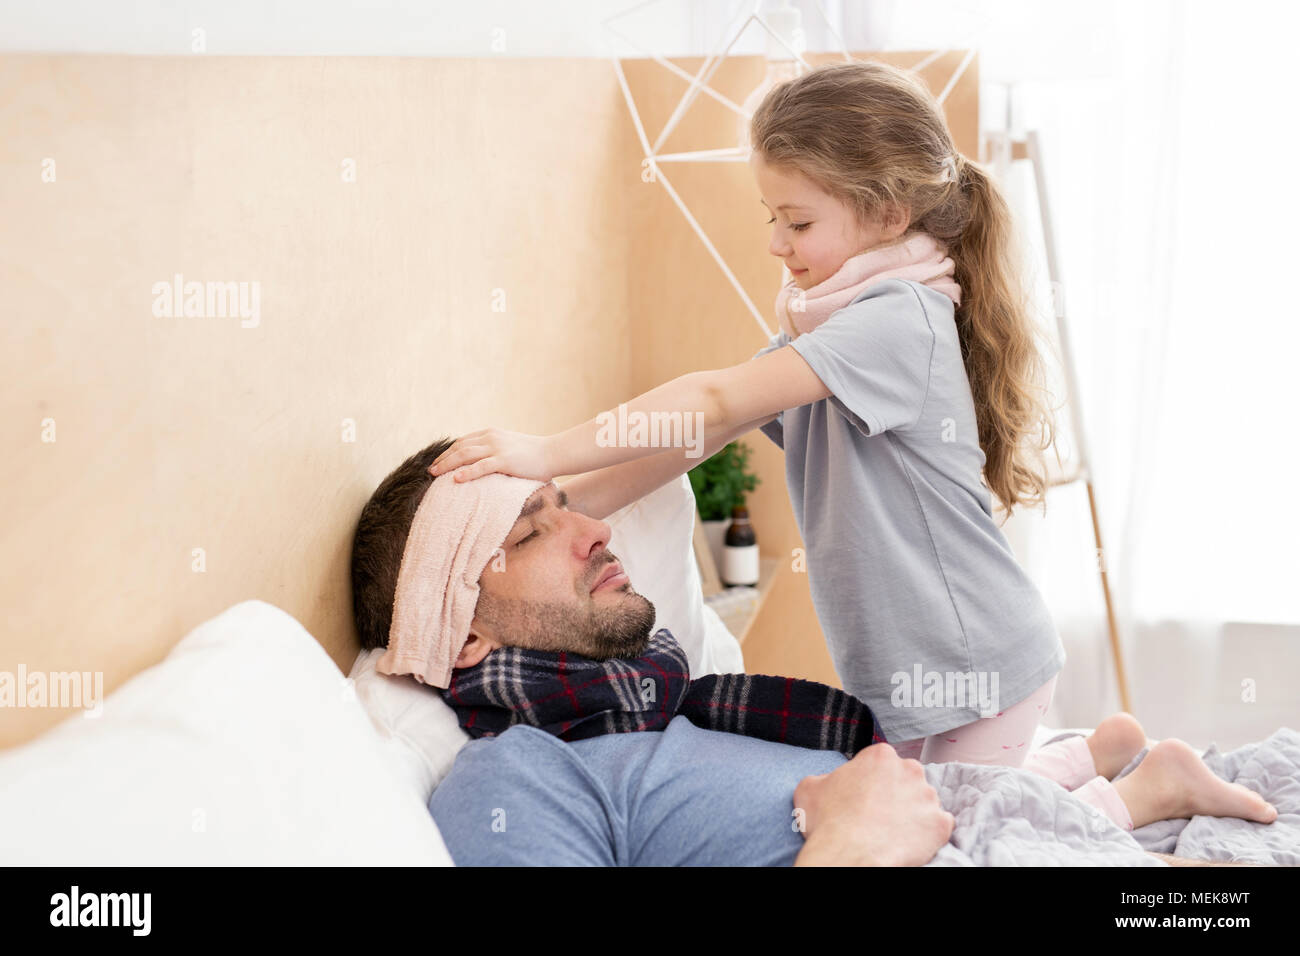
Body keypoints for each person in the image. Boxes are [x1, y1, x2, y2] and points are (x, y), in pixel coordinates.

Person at [424, 60, 1071, 766]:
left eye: (797, 221)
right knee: (932, 817)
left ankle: (1133, 787)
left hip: (980, 666)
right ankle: (1096, 763)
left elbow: (714, 398)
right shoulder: (830, 332)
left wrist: (546, 451)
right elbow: (694, 434)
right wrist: (541, 509)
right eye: (772, 218)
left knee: (960, 834)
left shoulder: (896, 321)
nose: (774, 242)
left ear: (889, 214)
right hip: (917, 675)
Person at [348, 441, 1277, 866]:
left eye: (567, 503)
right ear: (459, 634)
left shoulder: (686, 706)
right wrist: (850, 847)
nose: (590, 530)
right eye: (528, 532)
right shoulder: (514, 784)